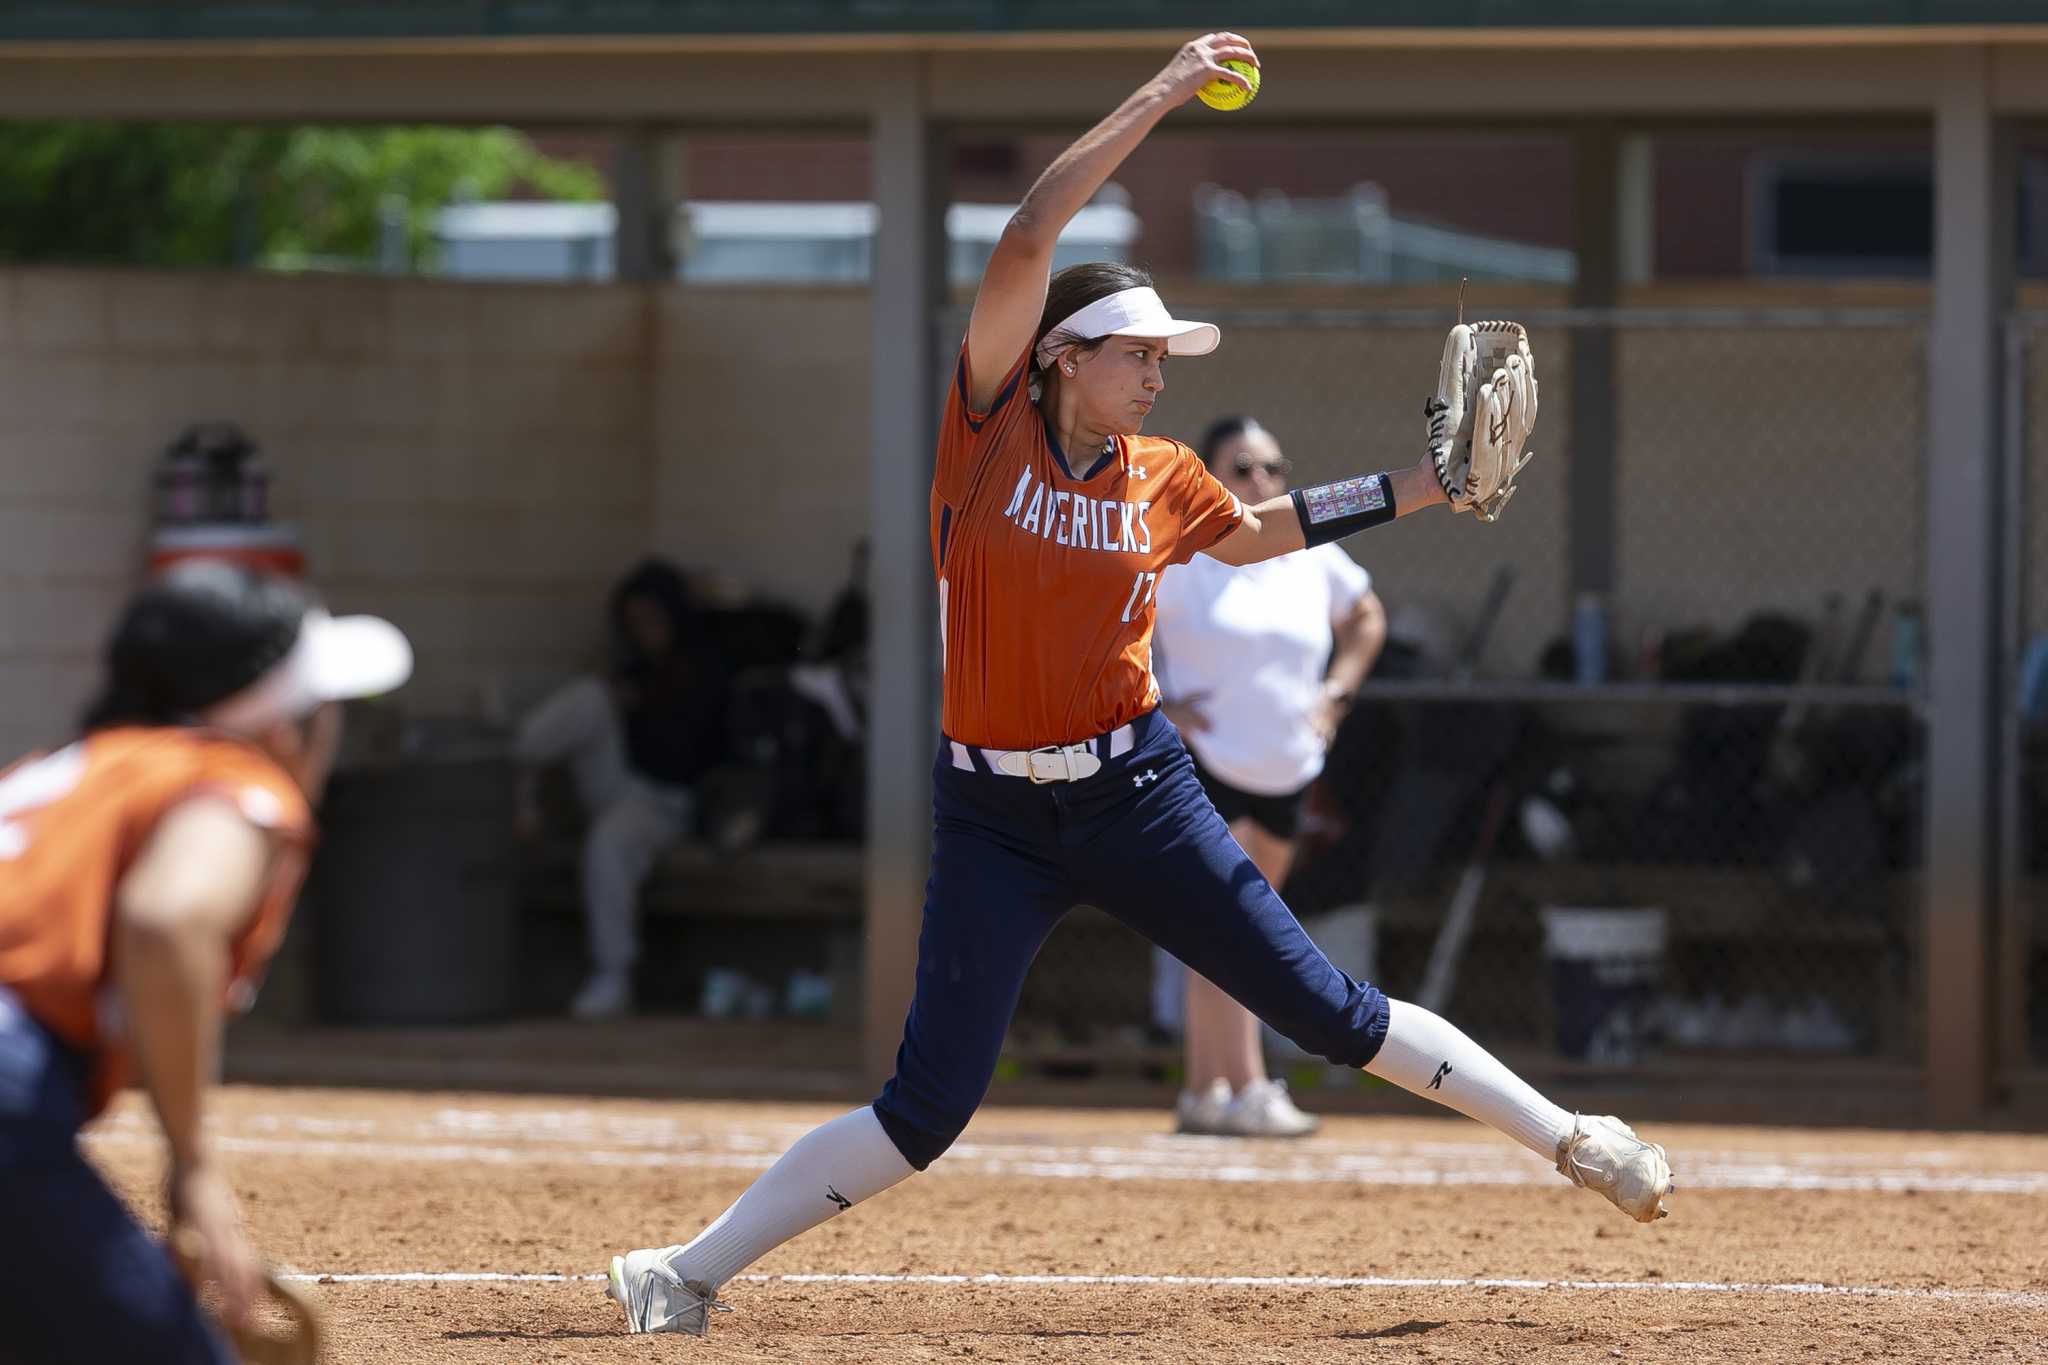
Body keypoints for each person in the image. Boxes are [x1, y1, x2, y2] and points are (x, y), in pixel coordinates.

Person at [607, 32, 1671, 1337]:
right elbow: (1028, 234)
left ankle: (1574, 1138)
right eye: (1137, 353)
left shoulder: (1163, 473)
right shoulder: (987, 432)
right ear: (1061, 354)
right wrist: (1168, 92)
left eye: (1166, 358)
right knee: (926, 1110)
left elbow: (1264, 530)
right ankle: (685, 1270)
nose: (1160, 373)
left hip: (1138, 793)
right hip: (994, 817)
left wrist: (1424, 484)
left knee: (1326, 1013)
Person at [0, 562, 412, 1363]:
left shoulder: (53, 776)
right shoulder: (234, 779)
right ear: (279, 723)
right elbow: (168, 917)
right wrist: (192, 1163)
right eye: (321, 708)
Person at [1152, 415, 1387, 1138]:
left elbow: (1366, 617)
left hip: (1287, 766)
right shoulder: (1184, 549)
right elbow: (1111, 622)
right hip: (1207, 763)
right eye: (1244, 467)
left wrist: (1335, 693)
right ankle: (1248, 1084)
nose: (1262, 483)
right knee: (1234, 923)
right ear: (1210, 474)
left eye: (1274, 469)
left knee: (1232, 927)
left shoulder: (1310, 552)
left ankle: (1203, 1089)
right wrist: (1158, 696)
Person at [513, 558, 730, 1019]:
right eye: (634, 624)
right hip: (620, 784)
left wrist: (645, 706)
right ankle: (507, 770)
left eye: (652, 621)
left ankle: (614, 975)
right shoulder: (630, 665)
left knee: (607, 845)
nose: (644, 632)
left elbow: (687, 754)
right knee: (589, 699)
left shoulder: (703, 666)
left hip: (668, 801)